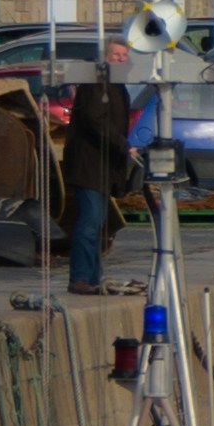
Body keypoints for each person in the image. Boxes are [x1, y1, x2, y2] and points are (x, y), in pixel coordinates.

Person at [60, 45, 139, 300]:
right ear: (105, 57)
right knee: (90, 222)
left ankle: (93, 278)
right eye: (116, 55)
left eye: (124, 55)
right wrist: (123, 144)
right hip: (88, 165)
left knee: (97, 224)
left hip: (104, 167)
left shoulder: (118, 86)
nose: (120, 59)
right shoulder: (95, 83)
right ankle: (81, 277)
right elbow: (96, 121)